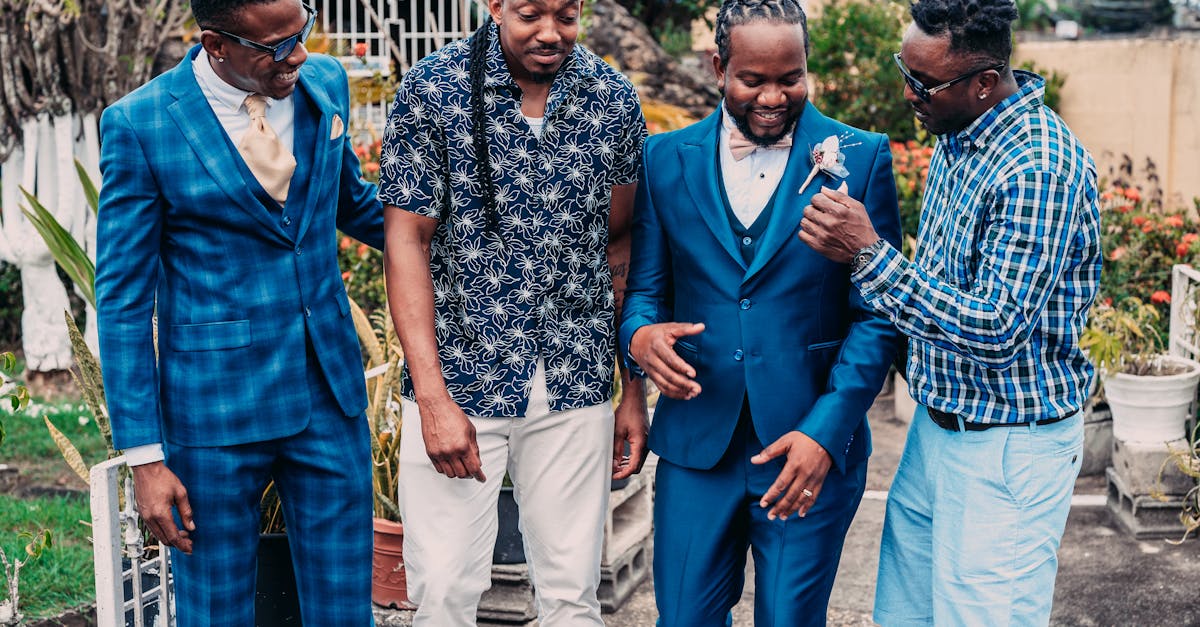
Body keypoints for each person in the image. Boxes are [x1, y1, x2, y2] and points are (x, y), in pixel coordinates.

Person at [800, 0, 1102, 624]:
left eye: (923, 83)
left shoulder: (1037, 167)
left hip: (1007, 451)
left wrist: (870, 254)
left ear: (984, 83)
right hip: (937, 431)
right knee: (903, 616)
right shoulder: (959, 137)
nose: (908, 92)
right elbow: (939, 286)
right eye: (904, 70)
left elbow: (996, 327)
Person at [95, 0, 383, 622]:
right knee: (215, 611)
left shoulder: (324, 83)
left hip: (329, 394)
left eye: (300, 35)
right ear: (216, 44)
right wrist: (145, 458)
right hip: (213, 414)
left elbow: (355, 205)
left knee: (345, 609)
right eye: (275, 47)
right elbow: (121, 302)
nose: (298, 57)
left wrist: (468, 237)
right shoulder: (141, 125)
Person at [618, 0, 903, 623]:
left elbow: (878, 316)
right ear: (720, 67)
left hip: (807, 449)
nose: (774, 97)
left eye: (790, 78)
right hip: (698, 447)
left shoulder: (863, 157)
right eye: (754, 80)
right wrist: (639, 338)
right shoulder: (665, 159)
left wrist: (825, 434)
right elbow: (643, 291)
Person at [377, 0, 650, 623]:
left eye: (567, 14)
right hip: (462, 376)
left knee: (572, 595)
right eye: (530, 14)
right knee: (444, 590)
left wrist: (630, 390)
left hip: (574, 375)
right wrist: (433, 400)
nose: (551, 33)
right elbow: (406, 241)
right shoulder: (434, 88)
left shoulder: (609, 96)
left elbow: (621, 242)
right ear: (495, 5)